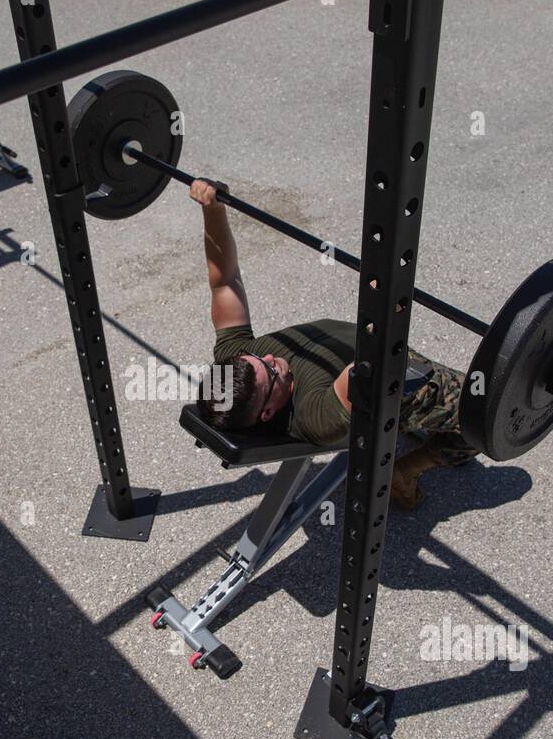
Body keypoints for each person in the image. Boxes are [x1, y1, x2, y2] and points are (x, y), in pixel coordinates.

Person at [190, 178, 477, 510]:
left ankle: (420, 428)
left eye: (258, 358)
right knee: (483, 410)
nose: (269, 356)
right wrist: (387, 299)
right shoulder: (316, 417)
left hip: (363, 354)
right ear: (268, 411)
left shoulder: (236, 360)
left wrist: (212, 210)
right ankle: (406, 470)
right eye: (271, 370)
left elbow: (224, 281)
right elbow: (372, 362)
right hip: (394, 377)